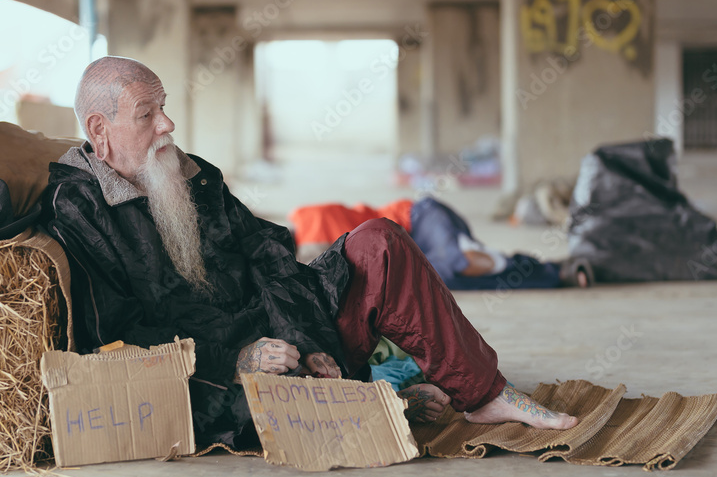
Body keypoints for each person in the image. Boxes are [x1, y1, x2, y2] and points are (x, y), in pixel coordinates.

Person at [42, 56, 578, 451]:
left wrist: (307, 337)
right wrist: (236, 359)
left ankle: (482, 393)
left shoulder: (191, 175)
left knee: (379, 241)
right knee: (266, 402)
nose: (168, 125)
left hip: (285, 329)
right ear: (99, 130)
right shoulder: (79, 208)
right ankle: (378, 405)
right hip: (208, 376)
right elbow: (113, 334)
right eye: (147, 114)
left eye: (164, 109)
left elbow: (269, 253)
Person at [290, 198, 592, 290]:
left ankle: (550, 270)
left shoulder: (304, 221)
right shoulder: (303, 250)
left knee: (461, 262)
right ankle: (555, 272)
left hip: (418, 219)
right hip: (410, 253)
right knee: (443, 279)